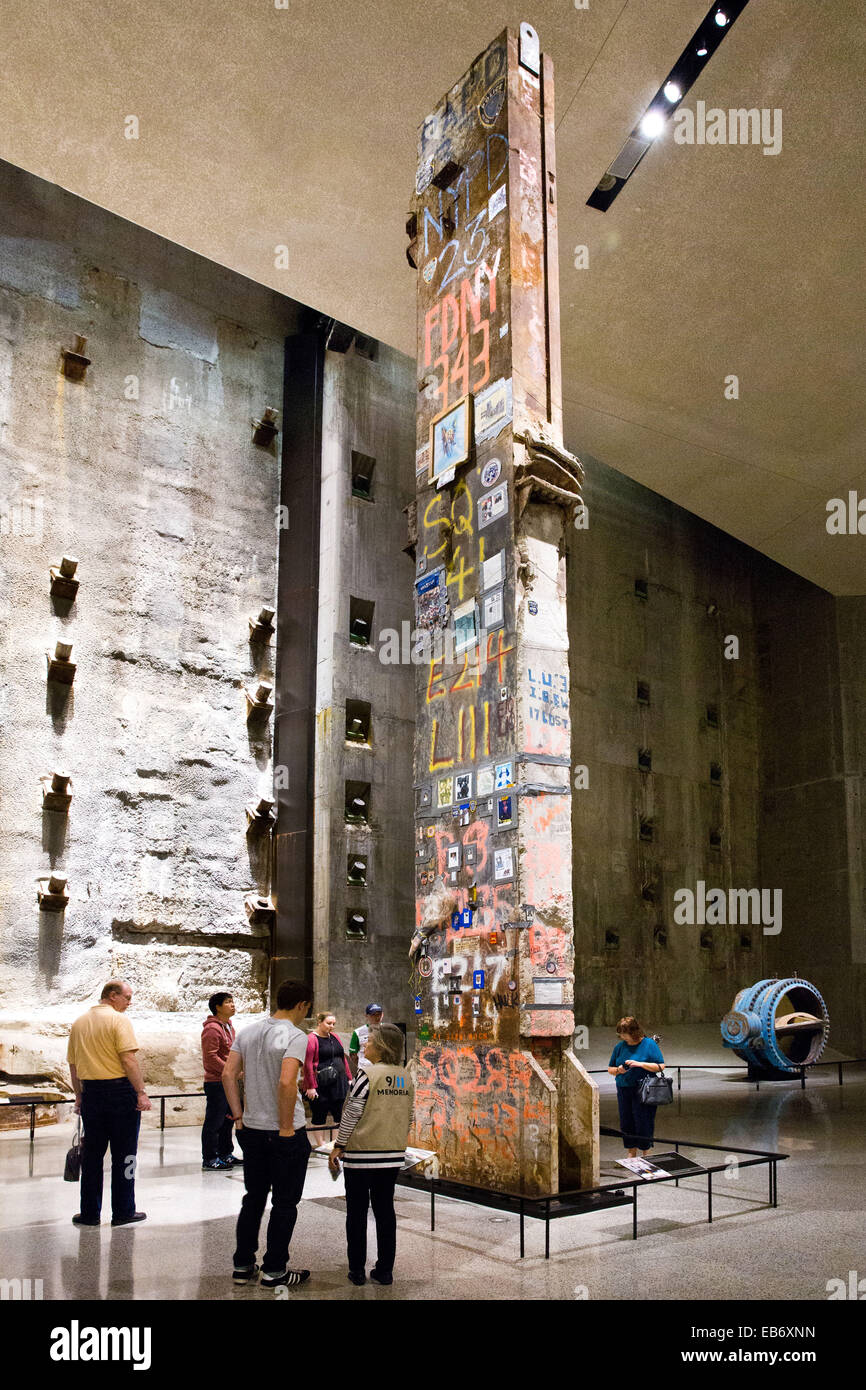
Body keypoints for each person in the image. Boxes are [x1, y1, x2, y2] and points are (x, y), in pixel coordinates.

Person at [221, 979, 314, 1289]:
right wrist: (287, 1127)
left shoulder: (247, 1031)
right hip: (283, 1133)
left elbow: (228, 1074)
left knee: (254, 1198)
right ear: (302, 1005)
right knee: (285, 1203)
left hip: (251, 1128)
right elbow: (288, 1082)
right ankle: (274, 1269)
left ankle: (243, 1265)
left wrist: (237, 1116)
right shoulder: (295, 1035)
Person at [329, 1022, 414, 1287]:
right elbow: (409, 1115)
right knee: (385, 1211)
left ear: (383, 1046)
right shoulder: (405, 1076)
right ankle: (384, 1270)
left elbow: (352, 1112)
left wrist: (339, 1145)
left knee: (356, 1213)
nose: (366, 1045)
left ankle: (356, 1270)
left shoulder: (367, 1074)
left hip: (361, 1154)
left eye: (371, 1041)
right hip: (391, 1155)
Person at [66, 979, 152, 1227]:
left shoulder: (80, 1022)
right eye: (127, 997)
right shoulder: (118, 1020)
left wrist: (79, 1095)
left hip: (92, 1093)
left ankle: (90, 1213)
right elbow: (128, 1060)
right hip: (120, 1094)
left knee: (92, 1156)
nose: (129, 1002)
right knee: (126, 1154)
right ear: (112, 996)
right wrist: (141, 1092)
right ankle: (124, 1210)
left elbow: (74, 1065)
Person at [607, 1015, 665, 1159]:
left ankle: (646, 1153)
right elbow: (610, 1068)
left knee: (643, 1121)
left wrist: (639, 1064)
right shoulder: (619, 1047)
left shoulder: (649, 1044)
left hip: (644, 1089)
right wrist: (619, 1070)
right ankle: (631, 1152)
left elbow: (660, 1066)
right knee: (626, 1121)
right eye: (620, 1033)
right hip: (624, 1088)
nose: (621, 1036)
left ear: (633, 1032)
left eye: (624, 1033)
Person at [201, 991, 241, 1170]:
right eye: (228, 1002)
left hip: (229, 1080)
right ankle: (210, 1157)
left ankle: (226, 1153)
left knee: (227, 1120)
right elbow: (210, 1057)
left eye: (233, 1001)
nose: (232, 1005)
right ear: (217, 1007)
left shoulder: (228, 1027)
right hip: (217, 1081)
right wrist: (229, 1070)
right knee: (214, 1121)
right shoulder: (212, 1029)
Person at [303, 1012, 352, 1132]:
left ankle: (334, 1143)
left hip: (339, 1081)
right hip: (321, 1082)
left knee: (338, 1114)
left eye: (333, 1024)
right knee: (319, 1114)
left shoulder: (335, 1037)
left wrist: (349, 1077)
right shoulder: (312, 1039)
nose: (332, 1026)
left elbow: (342, 1058)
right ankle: (320, 1145)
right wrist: (311, 1086)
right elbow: (308, 1063)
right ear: (319, 1022)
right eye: (329, 1023)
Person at [348, 1003, 383, 1077]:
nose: (377, 1017)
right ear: (367, 1016)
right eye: (373, 1015)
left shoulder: (387, 1030)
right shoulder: (358, 1032)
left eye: (379, 1014)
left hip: (382, 1071)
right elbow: (353, 1055)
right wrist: (361, 1067)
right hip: (365, 1071)